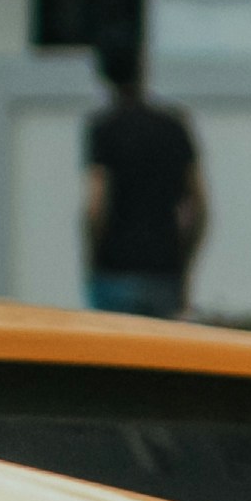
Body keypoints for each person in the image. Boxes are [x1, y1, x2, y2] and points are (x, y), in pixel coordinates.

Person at [81, 35, 203, 318]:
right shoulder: (173, 127)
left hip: (113, 271)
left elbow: (95, 205)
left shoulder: (104, 128)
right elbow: (198, 206)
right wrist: (182, 260)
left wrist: (92, 260)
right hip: (164, 271)